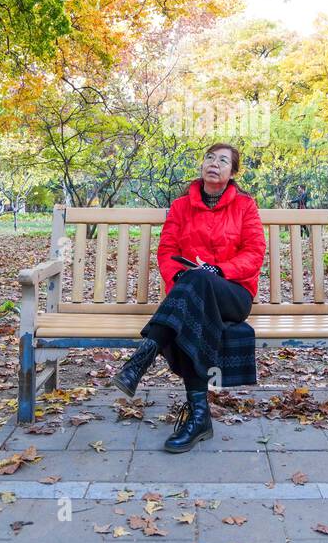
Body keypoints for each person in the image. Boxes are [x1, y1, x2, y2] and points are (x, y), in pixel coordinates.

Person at [111, 143, 265, 454]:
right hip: (190, 296)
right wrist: (182, 276)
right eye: (210, 157)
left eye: (223, 161)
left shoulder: (245, 207)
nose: (214, 164)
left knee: (198, 280)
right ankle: (199, 417)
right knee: (193, 301)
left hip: (232, 293)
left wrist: (218, 271)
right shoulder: (181, 207)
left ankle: (145, 354)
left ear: (232, 172)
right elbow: (167, 252)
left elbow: (254, 254)